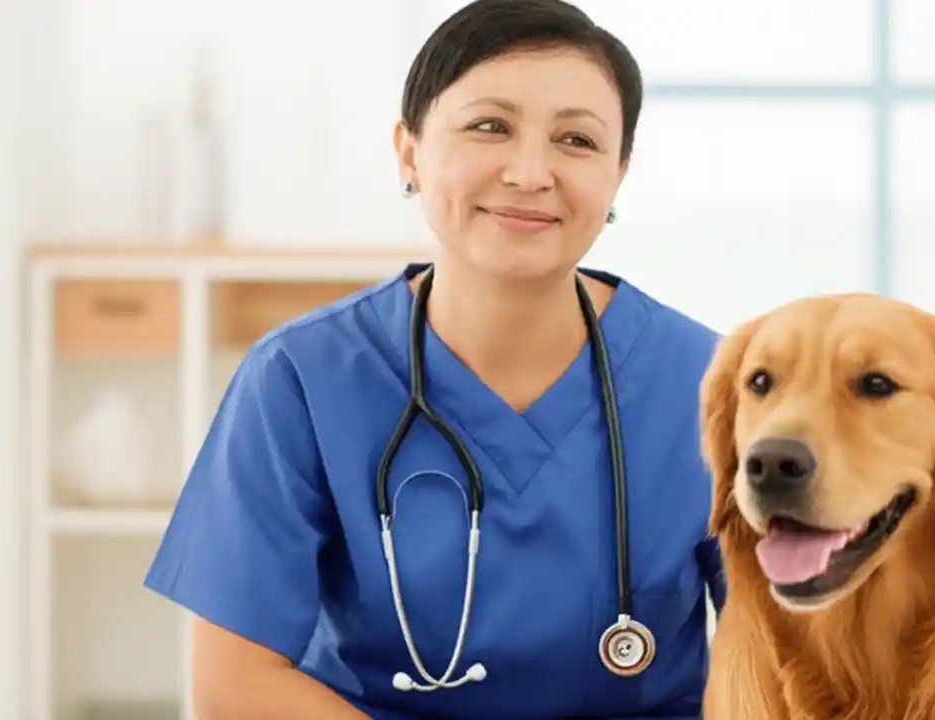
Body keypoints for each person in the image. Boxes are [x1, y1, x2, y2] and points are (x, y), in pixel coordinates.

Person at [144, 1, 725, 717]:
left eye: (576, 139)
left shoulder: (716, 385)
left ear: (618, 175)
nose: (530, 171)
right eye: (490, 126)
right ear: (409, 150)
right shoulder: (299, 380)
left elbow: (795, 656)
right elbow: (236, 684)